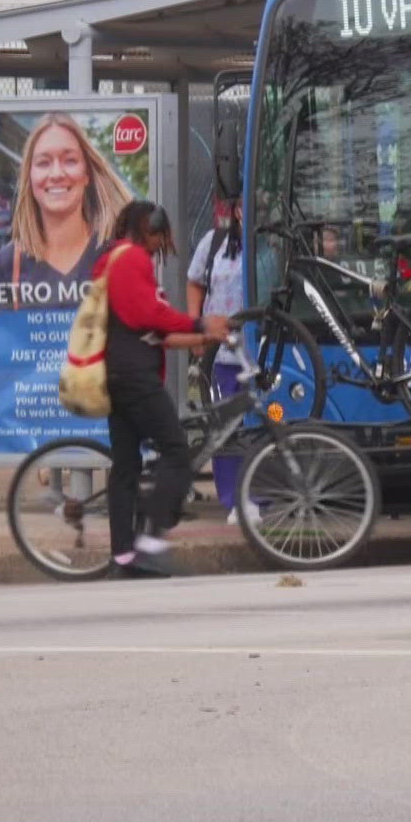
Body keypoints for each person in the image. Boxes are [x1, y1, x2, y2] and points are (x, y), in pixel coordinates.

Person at [96, 201, 229, 576]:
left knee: (125, 466)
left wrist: (195, 336)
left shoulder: (111, 260)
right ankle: (151, 543)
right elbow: (148, 316)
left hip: (116, 371)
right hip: (135, 374)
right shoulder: (131, 260)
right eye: (161, 236)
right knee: (176, 453)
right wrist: (200, 324)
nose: (162, 246)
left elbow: (148, 330)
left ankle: (123, 558)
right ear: (150, 228)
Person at [0, 113, 134, 310]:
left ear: (87, 173)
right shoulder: (7, 264)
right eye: (43, 163)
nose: (56, 174)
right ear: (30, 177)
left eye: (69, 160)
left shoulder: (119, 256)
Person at [187, 199, 250, 525]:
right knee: (227, 427)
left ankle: (266, 492)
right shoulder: (214, 243)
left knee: (271, 419)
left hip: (265, 352)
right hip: (224, 354)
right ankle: (233, 498)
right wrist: (196, 329)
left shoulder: (273, 243)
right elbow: (196, 283)